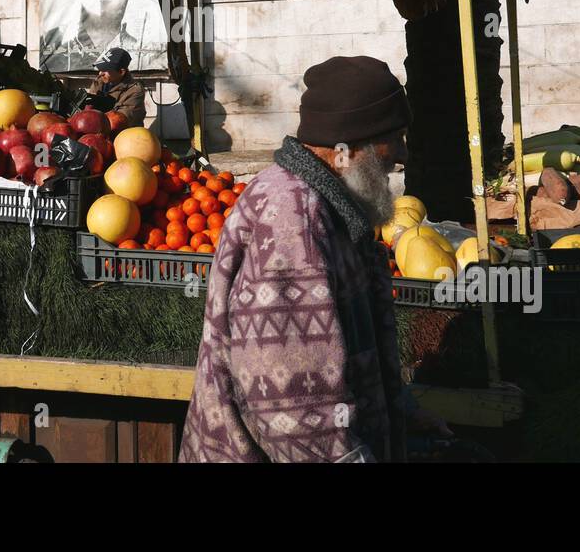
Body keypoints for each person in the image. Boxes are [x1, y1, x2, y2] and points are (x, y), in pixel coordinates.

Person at [179, 55, 451, 463]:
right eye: (393, 137)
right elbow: (296, 411)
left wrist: (401, 412)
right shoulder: (295, 224)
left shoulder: (329, 204)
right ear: (352, 144)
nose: (402, 155)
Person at [87, 47, 146, 128]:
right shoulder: (99, 82)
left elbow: (120, 121)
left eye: (106, 69)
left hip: (123, 135)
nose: (100, 73)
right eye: (100, 68)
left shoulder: (135, 91)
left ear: (121, 72)